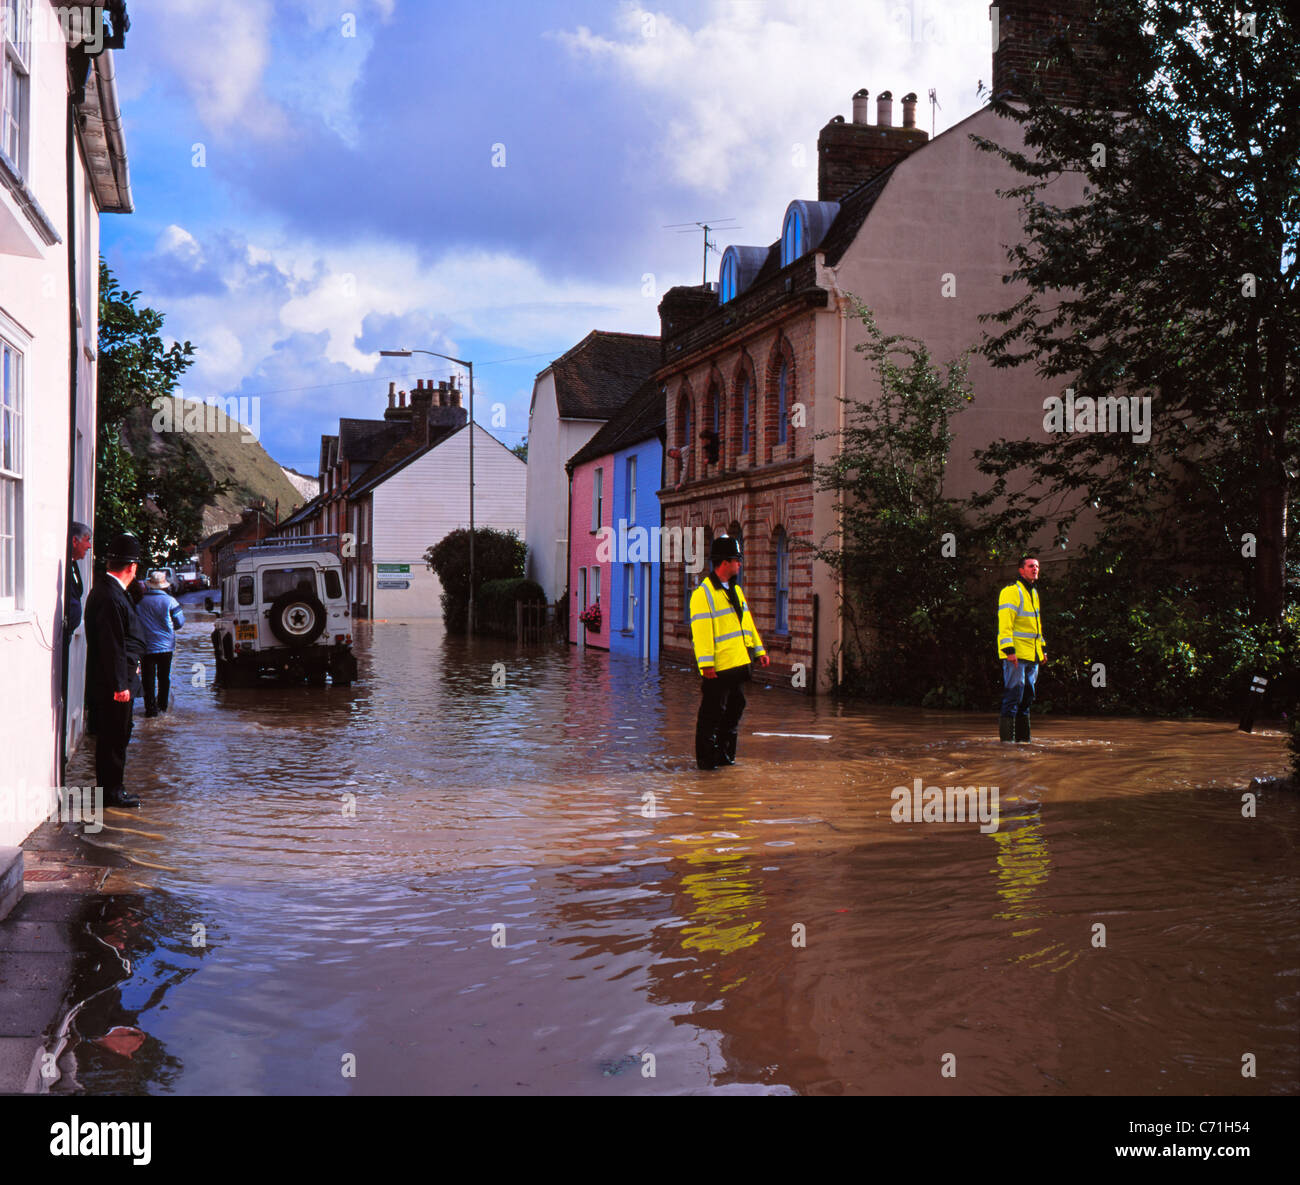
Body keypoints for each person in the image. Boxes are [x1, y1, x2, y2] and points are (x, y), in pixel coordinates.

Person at [689, 535, 769, 769]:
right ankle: (706, 762)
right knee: (711, 714)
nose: (740, 564)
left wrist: (759, 650)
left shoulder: (734, 590)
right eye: (737, 560)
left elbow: (747, 624)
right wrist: (706, 665)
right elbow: (701, 632)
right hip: (718, 667)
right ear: (725, 562)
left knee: (736, 706)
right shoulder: (702, 595)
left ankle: (724, 757)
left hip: (737, 663)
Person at [84, 534, 146, 807]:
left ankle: (111, 790)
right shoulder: (110, 596)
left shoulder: (109, 591)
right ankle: (111, 793)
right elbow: (112, 646)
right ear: (132, 567)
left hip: (118, 679)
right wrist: (120, 684)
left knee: (116, 735)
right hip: (114, 684)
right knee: (114, 737)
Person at [997, 555, 1046, 743]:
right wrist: (1009, 650)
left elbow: (1036, 626)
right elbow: (1005, 623)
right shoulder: (1012, 591)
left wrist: (1042, 648)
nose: (1035, 569)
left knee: (1027, 699)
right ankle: (1007, 746)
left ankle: (1024, 743)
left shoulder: (1033, 593)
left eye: (1037, 566)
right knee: (1012, 698)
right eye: (1031, 566)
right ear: (1021, 570)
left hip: (1032, 655)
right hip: (1016, 655)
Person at [136, 570, 185, 717]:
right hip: (166, 646)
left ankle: (150, 709)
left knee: (147, 678)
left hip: (146, 646)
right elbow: (180, 622)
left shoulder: (139, 601)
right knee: (164, 677)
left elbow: (134, 623)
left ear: (150, 585)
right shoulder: (171, 601)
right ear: (164, 586)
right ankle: (162, 708)